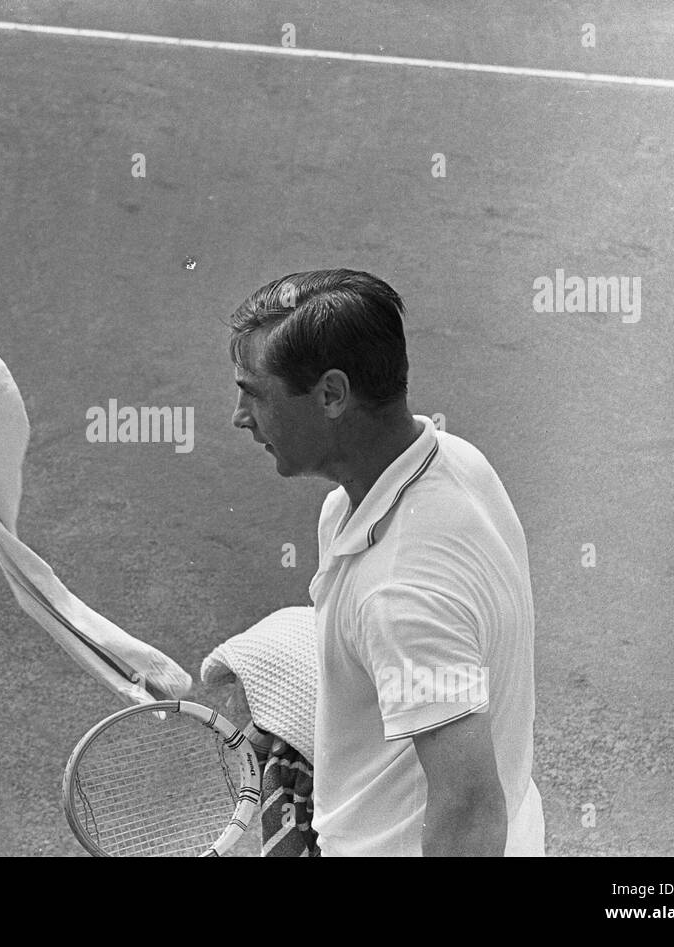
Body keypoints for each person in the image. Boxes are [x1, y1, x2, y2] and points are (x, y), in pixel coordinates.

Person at [228, 269, 544, 856]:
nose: (240, 416)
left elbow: (470, 810)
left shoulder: (399, 590)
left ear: (331, 394)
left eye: (255, 393)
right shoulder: (448, 460)